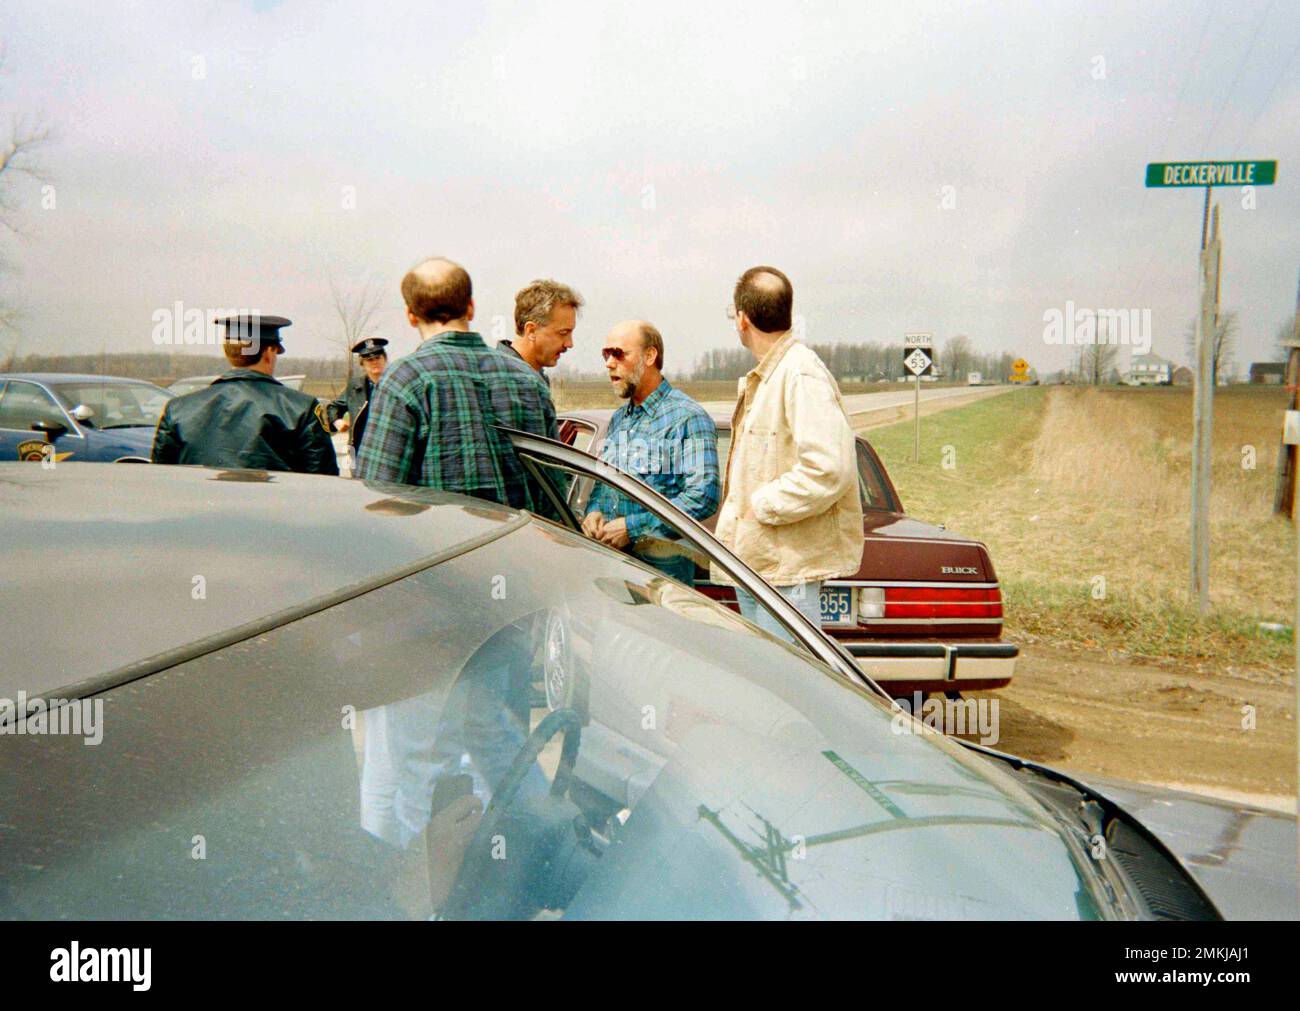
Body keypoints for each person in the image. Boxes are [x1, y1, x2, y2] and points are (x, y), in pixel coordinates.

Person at [710, 266, 863, 639]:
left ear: (742, 319)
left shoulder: (801, 374)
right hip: (759, 565)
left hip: (787, 576)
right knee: (768, 682)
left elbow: (829, 469)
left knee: (791, 687)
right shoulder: (770, 376)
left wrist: (762, 505)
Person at [355, 257, 556, 506]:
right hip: (523, 542)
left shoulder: (404, 379)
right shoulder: (529, 379)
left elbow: (379, 496)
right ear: (470, 307)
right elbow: (553, 492)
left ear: (411, 315)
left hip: (443, 544)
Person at [582, 320, 719, 585]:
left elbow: (703, 497)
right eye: (605, 354)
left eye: (619, 354)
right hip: (612, 572)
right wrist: (594, 511)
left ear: (649, 356)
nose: (609, 363)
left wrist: (632, 528)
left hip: (660, 580)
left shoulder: (687, 417)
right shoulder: (620, 419)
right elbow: (604, 485)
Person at [151, 315, 338, 475]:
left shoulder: (178, 409)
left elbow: (163, 480)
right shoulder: (301, 408)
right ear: (269, 352)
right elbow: (322, 481)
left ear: (228, 353)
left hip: (200, 515)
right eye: (276, 351)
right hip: (272, 515)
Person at [497, 278, 582, 383]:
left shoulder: (533, 378)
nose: (569, 344)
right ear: (531, 331)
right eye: (563, 333)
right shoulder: (502, 380)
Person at [325, 336, 388, 475]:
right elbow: (332, 407)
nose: (374, 362)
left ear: (385, 359)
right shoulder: (354, 387)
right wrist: (336, 421)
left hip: (387, 450)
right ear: (363, 364)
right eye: (369, 359)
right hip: (357, 449)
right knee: (359, 489)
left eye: (378, 358)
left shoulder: (396, 385)